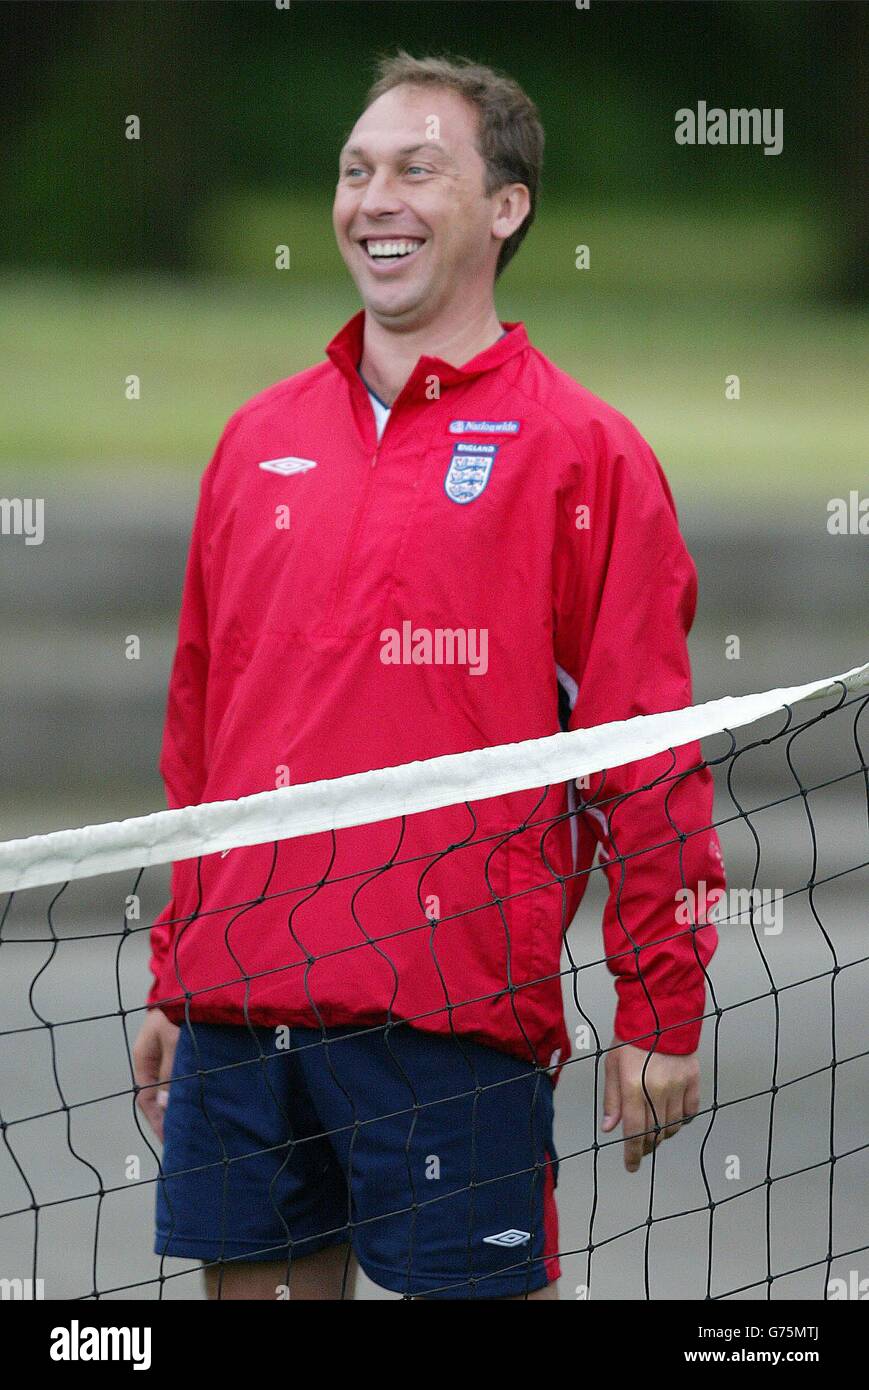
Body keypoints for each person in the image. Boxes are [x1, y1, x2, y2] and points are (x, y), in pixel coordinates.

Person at [133, 52, 724, 1302]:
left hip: (450, 1018)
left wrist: (658, 1004)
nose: (372, 197)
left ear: (503, 207)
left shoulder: (585, 454)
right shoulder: (257, 441)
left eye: (416, 167)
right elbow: (201, 730)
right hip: (242, 1007)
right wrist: (179, 967)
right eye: (354, 171)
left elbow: (644, 747)